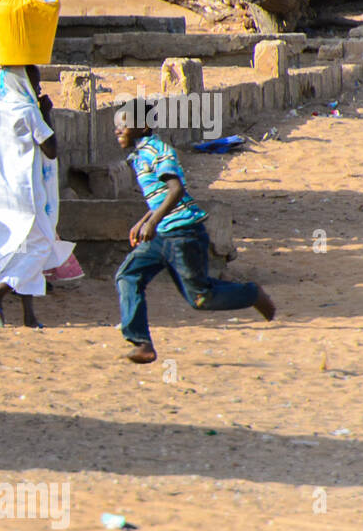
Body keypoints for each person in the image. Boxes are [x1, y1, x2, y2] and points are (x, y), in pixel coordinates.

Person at [113, 103, 275, 364]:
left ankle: (251, 293)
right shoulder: (139, 155)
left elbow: (176, 190)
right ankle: (141, 343)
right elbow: (160, 197)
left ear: (142, 126)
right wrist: (143, 221)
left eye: (123, 123)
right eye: (116, 124)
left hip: (184, 234)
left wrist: (151, 223)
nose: (117, 129)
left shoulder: (158, 151)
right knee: (128, 276)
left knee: (201, 298)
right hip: (162, 234)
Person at [0, 65, 73, 328]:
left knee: (20, 250)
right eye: (34, 84)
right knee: (42, 244)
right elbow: (51, 150)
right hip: (26, 193)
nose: (37, 90)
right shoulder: (29, 111)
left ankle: (29, 316)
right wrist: (46, 113)